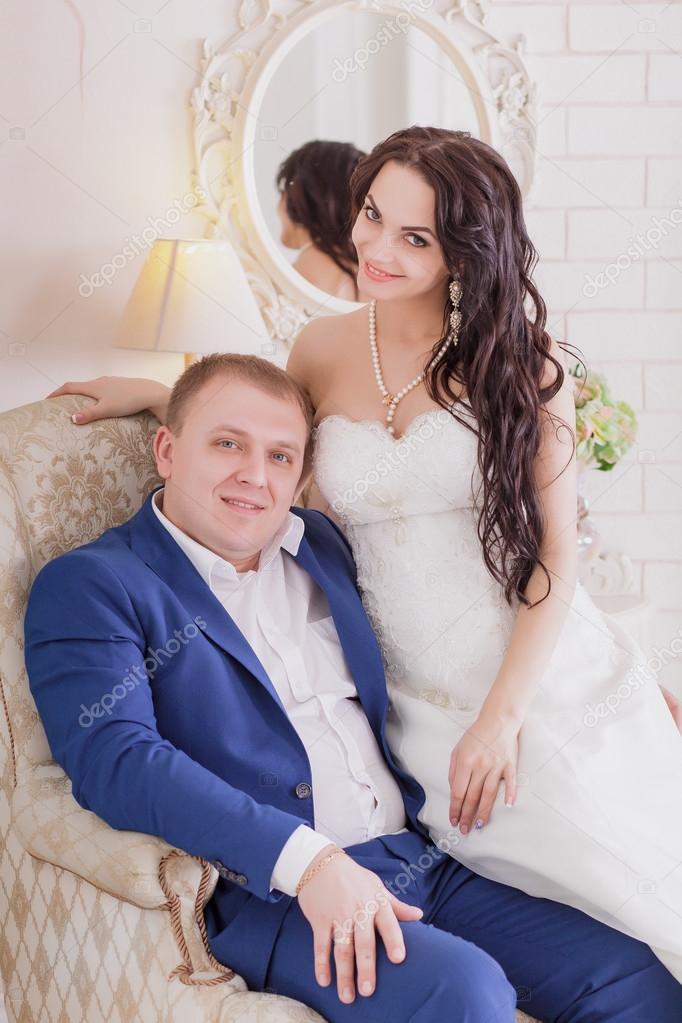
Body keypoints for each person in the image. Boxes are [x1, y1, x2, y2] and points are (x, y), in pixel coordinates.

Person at [47, 126, 682, 983]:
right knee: (514, 912)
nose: (376, 249)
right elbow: (273, 455)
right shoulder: (321, 349)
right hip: (410, 696)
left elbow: (555, 556)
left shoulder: (522, 367)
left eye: (414, 238)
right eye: (373, 216)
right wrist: (168, 399)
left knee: (632, 895)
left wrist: (502, 719)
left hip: (527, 676)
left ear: (464, 249)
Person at [26, 354, 682, 1021]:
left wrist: (615, 681)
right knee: (465, 991)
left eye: (280, 456)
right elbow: (117, 761)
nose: (254, 474)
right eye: (227, 444)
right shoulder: (95, 584)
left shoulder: (325, 546)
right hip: (274, 893)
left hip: (420, 856)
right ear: (167, 447)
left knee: (634, 977)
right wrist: (309, 862)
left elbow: (461, 616)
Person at [277, 139, 368, 301]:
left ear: (298, 200)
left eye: (284, 191)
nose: (278, 205)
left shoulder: (310, 266)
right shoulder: (369, 267)